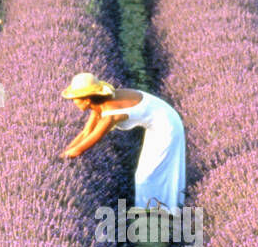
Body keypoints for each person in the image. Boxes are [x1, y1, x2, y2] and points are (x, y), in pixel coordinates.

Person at [60, 72, 186, 220]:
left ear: (87, 100)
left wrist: (63, 158)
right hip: (157, 122)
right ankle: (157, 209)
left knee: (148, 174)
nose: (73, 102)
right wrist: (63, 152)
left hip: (167, 126)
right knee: (151, 169)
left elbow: (87, 144)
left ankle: (156, 213)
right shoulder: (100, 103)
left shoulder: (111, 114)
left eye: (75, 99)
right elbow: (86, 132)